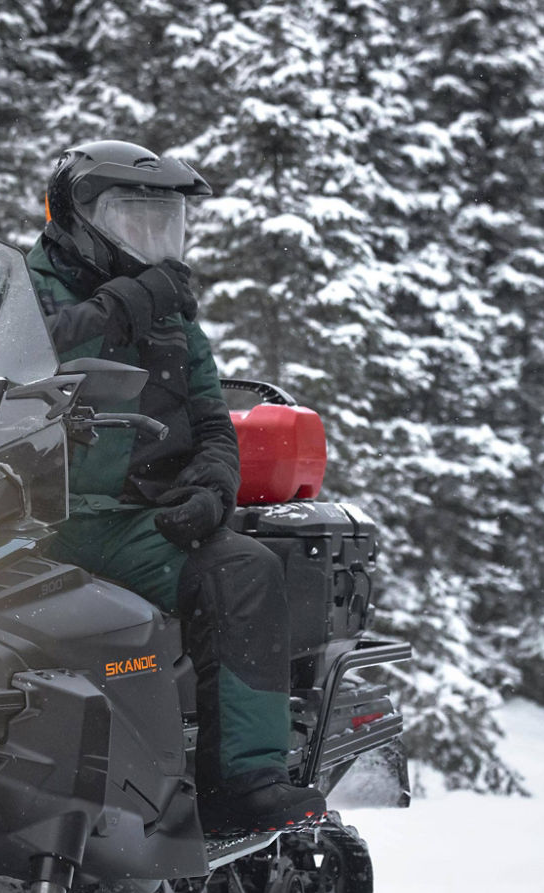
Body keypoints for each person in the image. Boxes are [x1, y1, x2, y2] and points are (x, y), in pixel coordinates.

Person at [27, 139, 325, 834]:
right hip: (19, 519)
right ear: (79, 219)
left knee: (243, 571)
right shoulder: (16, 293)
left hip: (133, 526)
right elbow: (14, 358)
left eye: (168, 225)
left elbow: (214, 425)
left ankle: (242, 783)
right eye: (137, 221)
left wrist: (212, 493)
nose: (155, 243)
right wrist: (116, 310)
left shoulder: (172, 316)